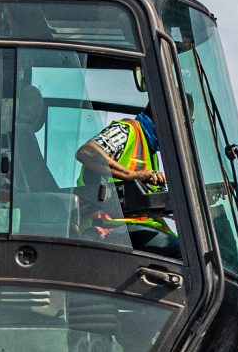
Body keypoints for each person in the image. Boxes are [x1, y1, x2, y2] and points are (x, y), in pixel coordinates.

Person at [77, 106, 180, 259]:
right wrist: (131, 174)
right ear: (165, 115)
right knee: (180, 254)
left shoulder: (150, 150)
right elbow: (86, 152)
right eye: (185, 121)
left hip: (131, 225)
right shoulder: (126, 130)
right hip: (108, 225)